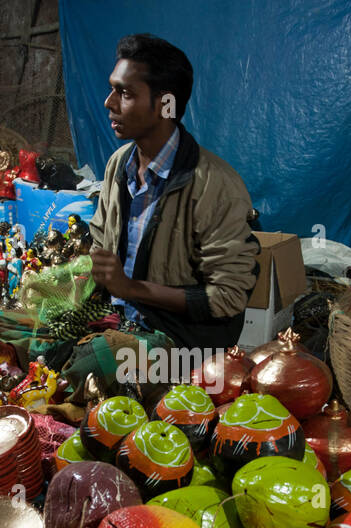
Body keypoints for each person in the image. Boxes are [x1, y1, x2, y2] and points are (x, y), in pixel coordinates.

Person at [88, 35, 259, 351]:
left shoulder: (215, 185)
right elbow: (100, 240)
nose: (109, 102)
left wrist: (131, 288)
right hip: (117, 323)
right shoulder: (118, 164)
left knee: (89, 367)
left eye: (124, 93)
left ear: (165, 104)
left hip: (182, 346)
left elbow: (229, 295)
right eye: (112, 89)